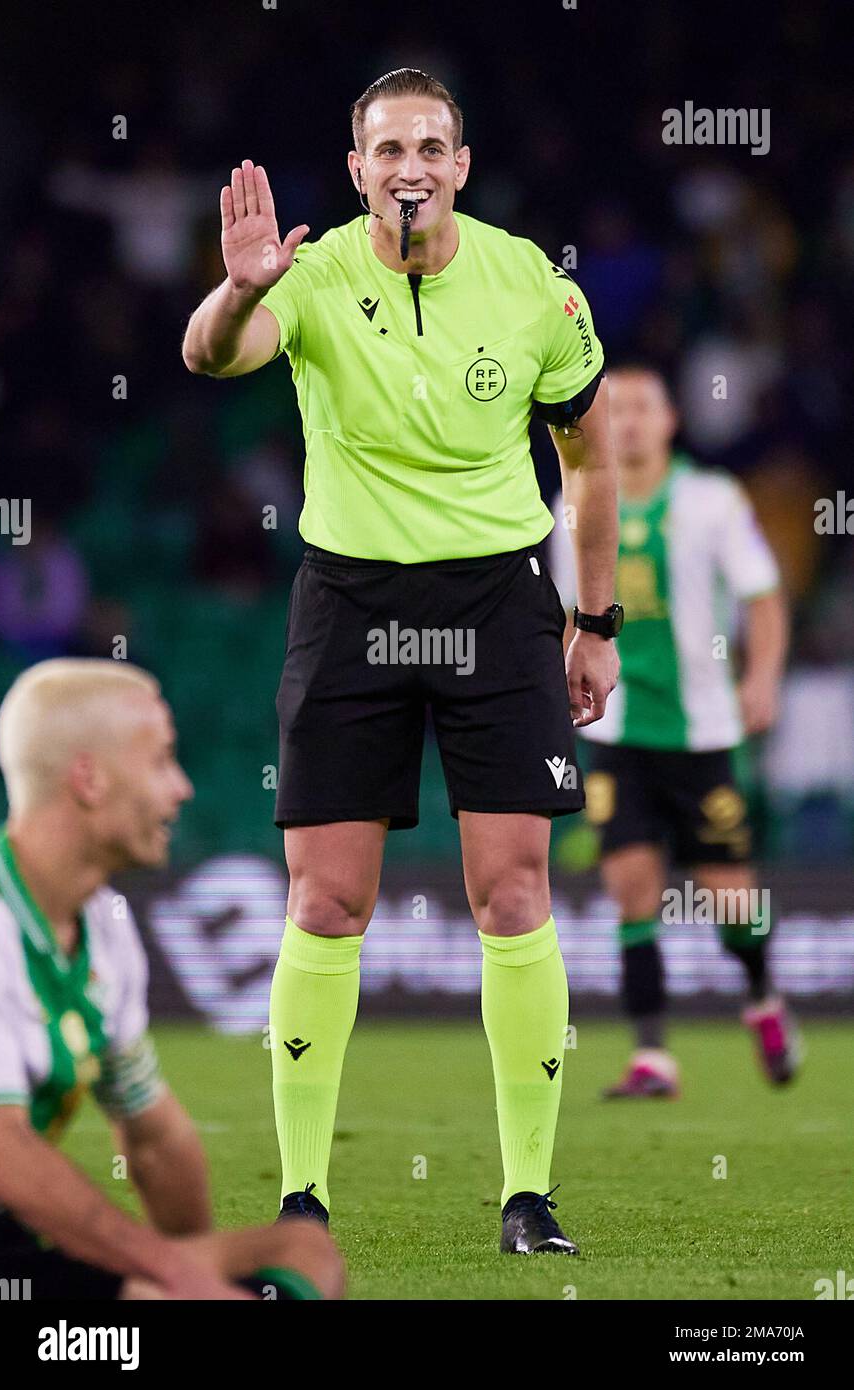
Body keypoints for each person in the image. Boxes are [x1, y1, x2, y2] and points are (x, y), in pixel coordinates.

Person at [182, 68, 620, 1255]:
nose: (410, 167)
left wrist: (597, 620)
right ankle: (302, 1199)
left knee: (513, 893)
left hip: (496, 602)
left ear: (460, 166)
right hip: (350, 598)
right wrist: (237, 289)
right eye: (388, 150)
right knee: (325, 902)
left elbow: (590, 457)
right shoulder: (312, 275)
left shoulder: (530, 282)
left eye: (430, 146)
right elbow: (213, 356)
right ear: (358, 170)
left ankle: (526, 1199)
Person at [0, 658, 343, 1299]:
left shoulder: (103, 929)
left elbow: (154, 1141)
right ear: (89, 779)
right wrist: (171, 1271)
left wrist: (194, 1270)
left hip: (11, 1257)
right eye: (160, 761)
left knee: (302, 1249)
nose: (181, 788)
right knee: (157, 1290)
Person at [549, 366, 798, 1097]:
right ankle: (653, 1056)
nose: (625, 420)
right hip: (617, 729)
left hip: (704, 735)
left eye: (641, 408)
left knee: (732, 903)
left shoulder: (712, 499)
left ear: (669, 422)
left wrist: (760, 679)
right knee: (632, 887)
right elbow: (569, 611)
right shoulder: (574, 500)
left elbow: (763, 596)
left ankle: (760, 994)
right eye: (614, 408)